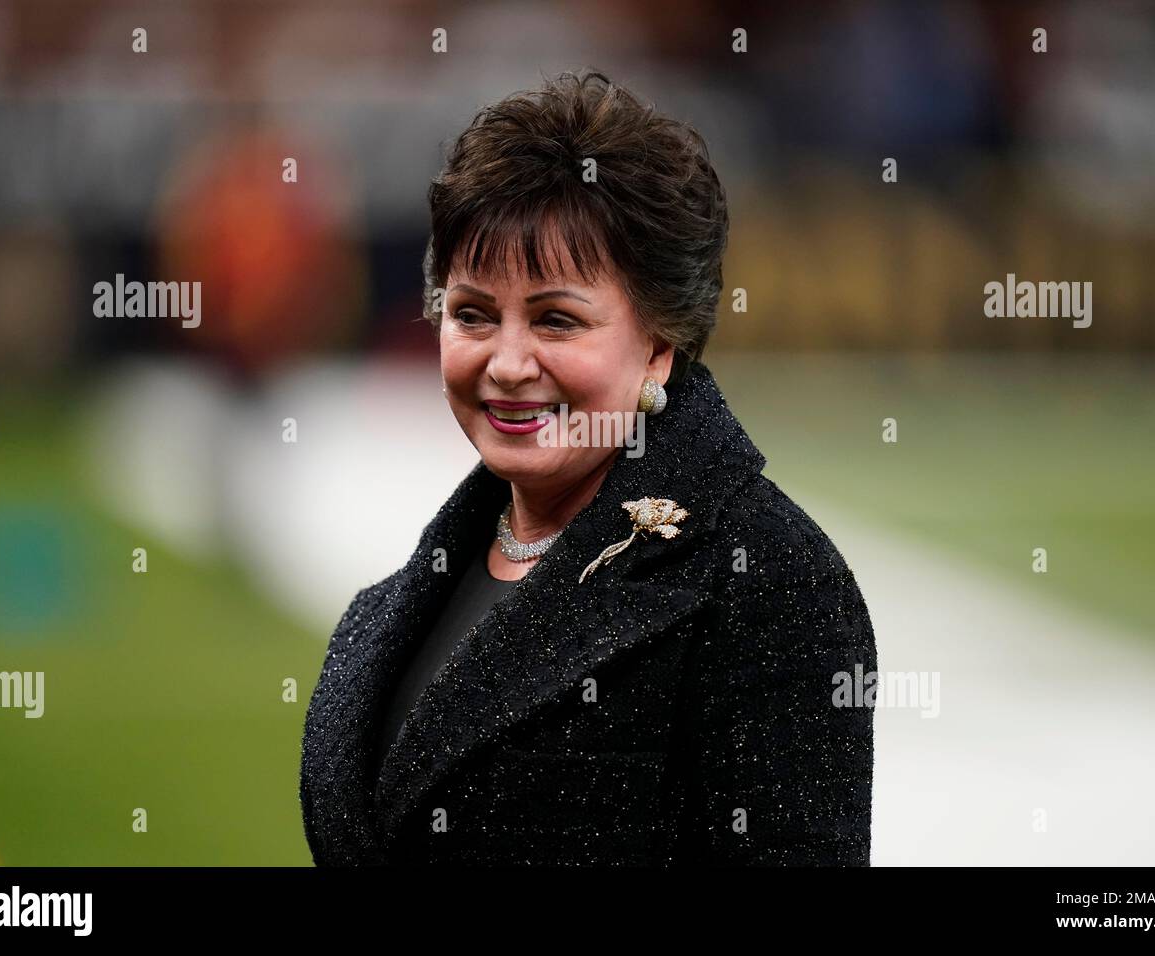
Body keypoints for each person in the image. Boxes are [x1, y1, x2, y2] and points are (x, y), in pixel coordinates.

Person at [300, 69, 877, 866]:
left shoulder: (767, 579)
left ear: (659, 343)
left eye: (556, 319)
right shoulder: (399, 596)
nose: (506, 364)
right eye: (471, 314)